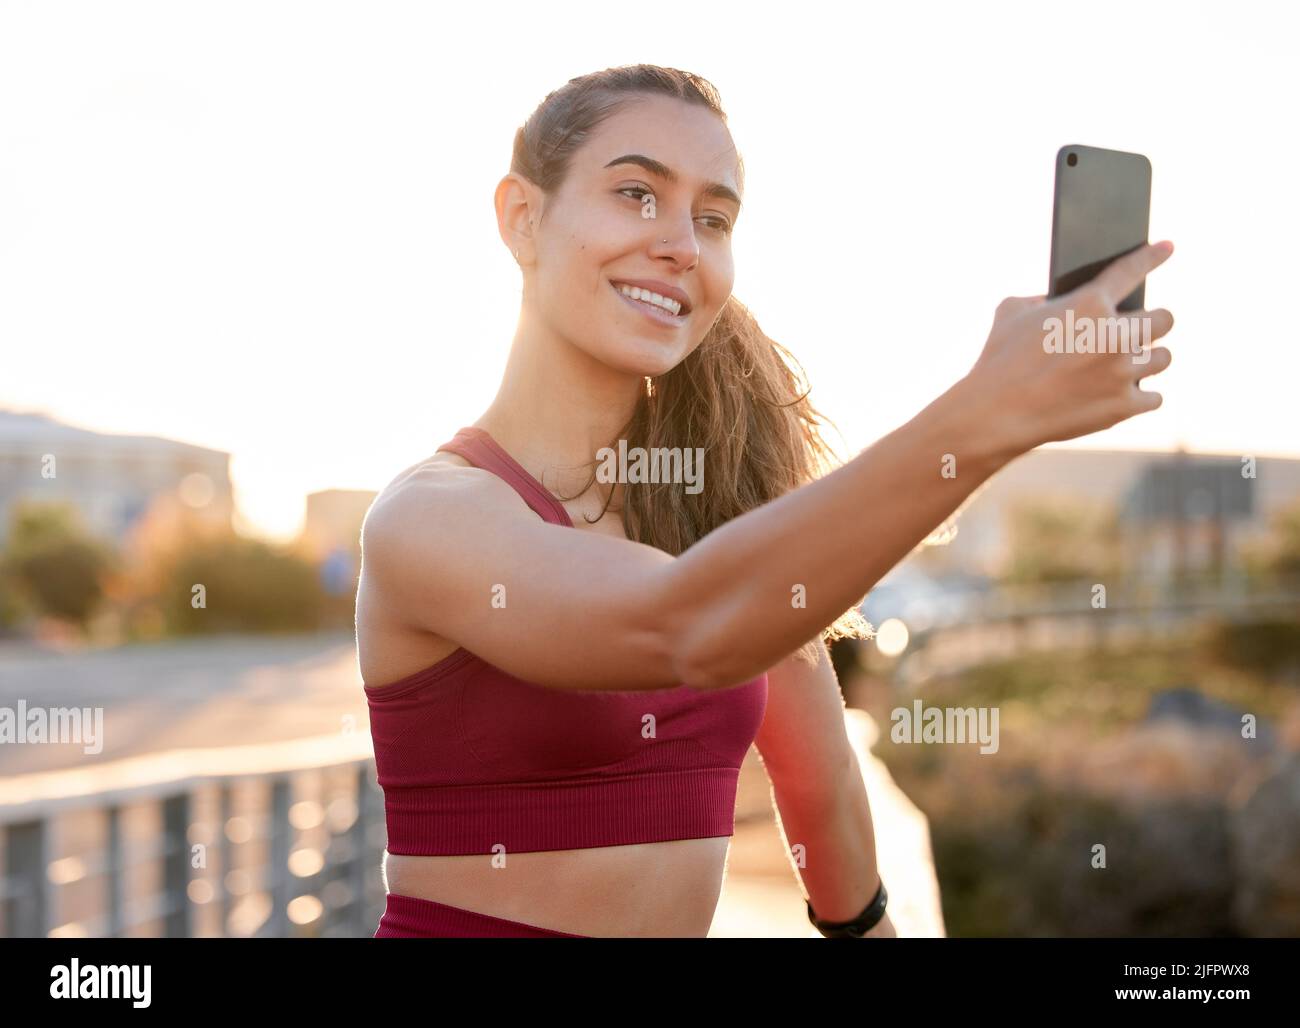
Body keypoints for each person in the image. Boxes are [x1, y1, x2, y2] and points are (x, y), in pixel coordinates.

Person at [355, 64, 1175, 938]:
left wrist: (867, 930)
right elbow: (683, 626)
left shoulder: (712, 510)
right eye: (636, 193)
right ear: (523, 217)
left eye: (713, 219)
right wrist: (988, 414)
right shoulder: (429, 518)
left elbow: (820, 783)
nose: (682, 244)